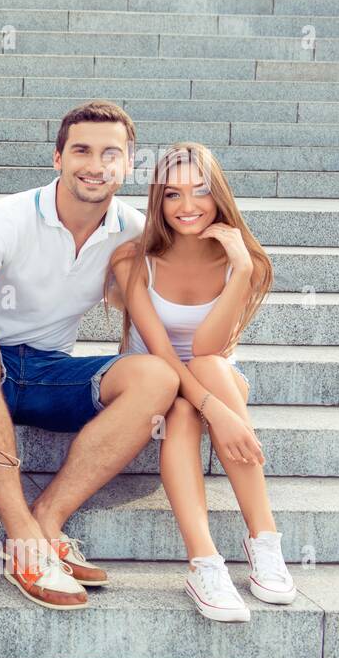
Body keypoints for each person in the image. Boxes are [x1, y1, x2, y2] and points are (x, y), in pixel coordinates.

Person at [0, 101, 179, 610]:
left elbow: (146, 311)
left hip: (49, 372)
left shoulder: (132, 230)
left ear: (128, 164)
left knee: (155, 377)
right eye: (82, 150)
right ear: (57, 158)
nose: (96, 164)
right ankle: (23, 541)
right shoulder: (9, 215)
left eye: (111, 153)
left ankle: (47, 519)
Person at [110, 142, 289, 622]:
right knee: (181, 400)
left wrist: (244, 270)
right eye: (172, 195)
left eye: (200, 192)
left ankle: (264, 542)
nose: (187, 207)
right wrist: (217, 413)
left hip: (217, 375)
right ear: (158, 201)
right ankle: (205, 563)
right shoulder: (134, 258)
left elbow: (211, 349)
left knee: (208, 367)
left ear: (219, 196)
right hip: (156, 377)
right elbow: (165, 355)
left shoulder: (240, 260)